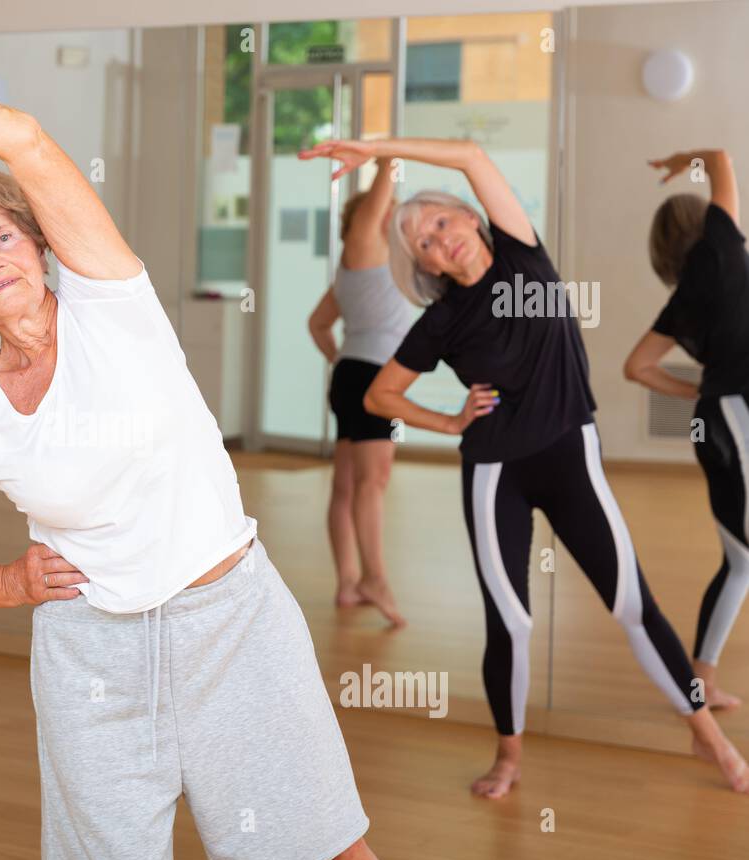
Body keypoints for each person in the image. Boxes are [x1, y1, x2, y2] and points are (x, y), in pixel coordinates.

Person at [0, 72, 379, 860]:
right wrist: (5, 586)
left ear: (44, 246)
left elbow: (22, 139)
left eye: (2, 237)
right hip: (93, 659)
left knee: (328, 856)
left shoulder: (112, 305)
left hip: (232, 626)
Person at [304, 135, 749, 797]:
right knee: (509, 620)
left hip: (569, 450)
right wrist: (452, 422)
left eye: (442, 221)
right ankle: (508, 754)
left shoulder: (522, 254)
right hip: (493, 471)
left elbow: (472, 155)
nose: (438, 238)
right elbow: (378, 395)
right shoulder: (442, 322)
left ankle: (707, 735)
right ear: (422, 265)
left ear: (472, 218)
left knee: (631, 602)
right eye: (423, 241)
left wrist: (376, 149)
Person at [624, 147, 747, 710]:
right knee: (745, 557)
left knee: (740, 559)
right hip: (735, 417)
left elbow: (638, 367)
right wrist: (680, 160)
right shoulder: (721, 247)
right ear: (705, 223)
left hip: (720, 418)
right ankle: (700, 682)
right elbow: (721, 156)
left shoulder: (684, 298)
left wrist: (699, 391)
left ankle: (703, 681)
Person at [307, 157, 414, 626]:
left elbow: (318, 324)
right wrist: (388, 156)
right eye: (386, 210)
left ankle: (348, 581)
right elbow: (380, 198)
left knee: (348, 484)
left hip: (353, 374)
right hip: (374, 379)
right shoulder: (365, 246)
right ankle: (374, 577)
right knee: (373, 483)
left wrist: (340, 360)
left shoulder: (360, 269)